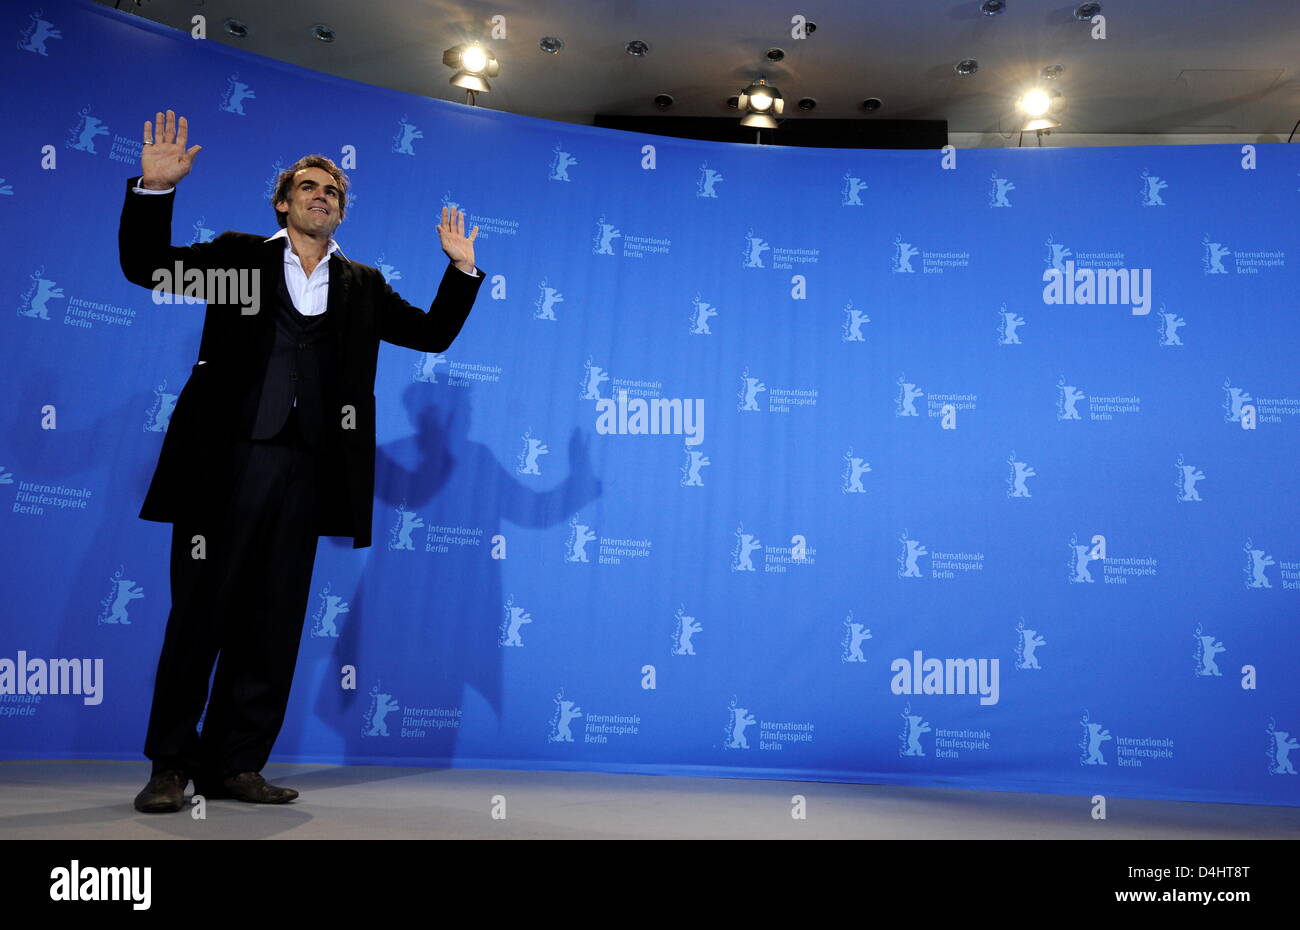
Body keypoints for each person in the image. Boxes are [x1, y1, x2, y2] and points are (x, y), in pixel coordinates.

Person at [119, 110, 485, 812]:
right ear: (283, 202)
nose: (323, 195)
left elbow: (434, 335)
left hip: (308, 478)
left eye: (335, 191)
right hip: (223, 469)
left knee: (274, 623)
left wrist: (461, 269)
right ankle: (170, 766)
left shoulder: (363, 287)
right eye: (310, 186)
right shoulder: (237, 262)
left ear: (341, 211)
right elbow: (146, 268)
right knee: (200, 619)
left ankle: (236, 763)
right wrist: (155, 191)